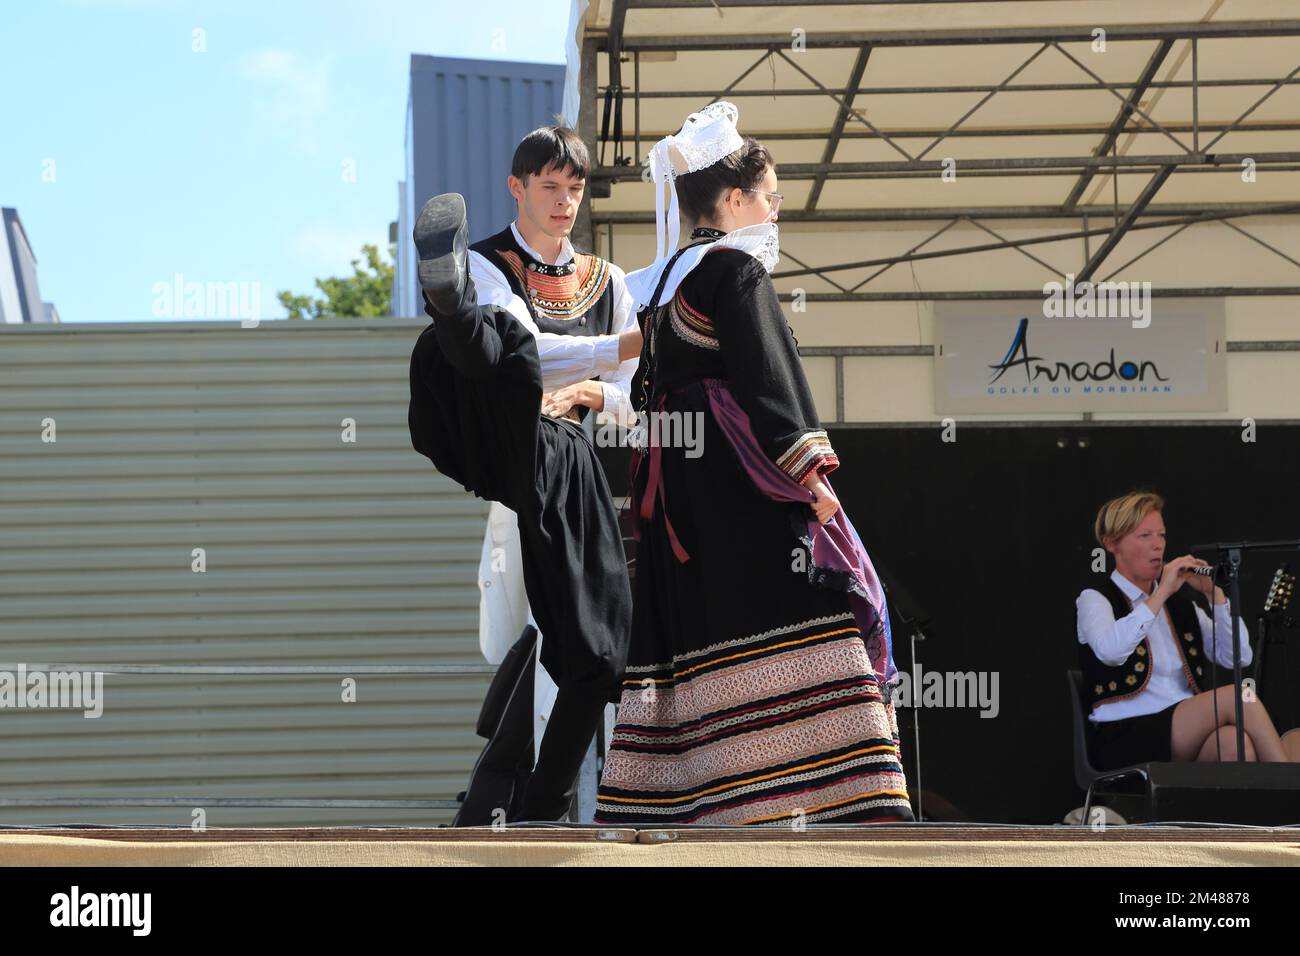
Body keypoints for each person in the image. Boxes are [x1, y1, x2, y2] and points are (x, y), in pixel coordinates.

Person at [592, 102, 914, 826]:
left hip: (676, 486)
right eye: (770, 198)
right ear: (733, 201)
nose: (775, 213)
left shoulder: (659, 285)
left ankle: (720, 798)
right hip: (740, 480)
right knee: (816, 599)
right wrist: (810, 475)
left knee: (705, 627)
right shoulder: (734, 269)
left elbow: (644, 394)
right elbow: (770, 382)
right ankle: (834, 794)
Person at [407, 190, 638, 822]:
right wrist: (617, 350)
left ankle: (514, 808)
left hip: (526, 457)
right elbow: (535, 355)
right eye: (549, 186)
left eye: (574, 187)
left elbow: (626, 398)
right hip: (533, 453)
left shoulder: (611, 280)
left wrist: (590, 385)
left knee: (555, 648)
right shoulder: (491, 263)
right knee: (588, 648)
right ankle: (542, 806)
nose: (565, 200)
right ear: (518, 186)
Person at [1077, 490, 1295, 768]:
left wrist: (1215, 598)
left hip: (1181, 731)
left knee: (1233, 742)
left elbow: (1239, 657)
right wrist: (1161, 593)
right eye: (1145, 536)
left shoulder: (1181, 608)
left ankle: (1239, 811)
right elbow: (1111, 652)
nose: (1158, 545)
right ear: (1111, 544)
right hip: (1125, 735)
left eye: (1162, 535)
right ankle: (1291, 793)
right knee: (1241, 696)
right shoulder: (1095, 598)